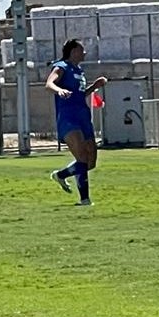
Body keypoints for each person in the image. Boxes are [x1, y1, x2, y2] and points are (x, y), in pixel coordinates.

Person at [46, 38, 107, 206]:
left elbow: (80, 95)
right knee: (81, 157)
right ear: (73, 52)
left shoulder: (79, 71)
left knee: (90, 162)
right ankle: (85, 200)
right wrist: (59, 90)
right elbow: (49, 83)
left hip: (83, 116)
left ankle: (61, 175)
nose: (85, 53)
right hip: (68, 117)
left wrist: (95, 86)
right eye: (82, 50)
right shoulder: (61, 67)